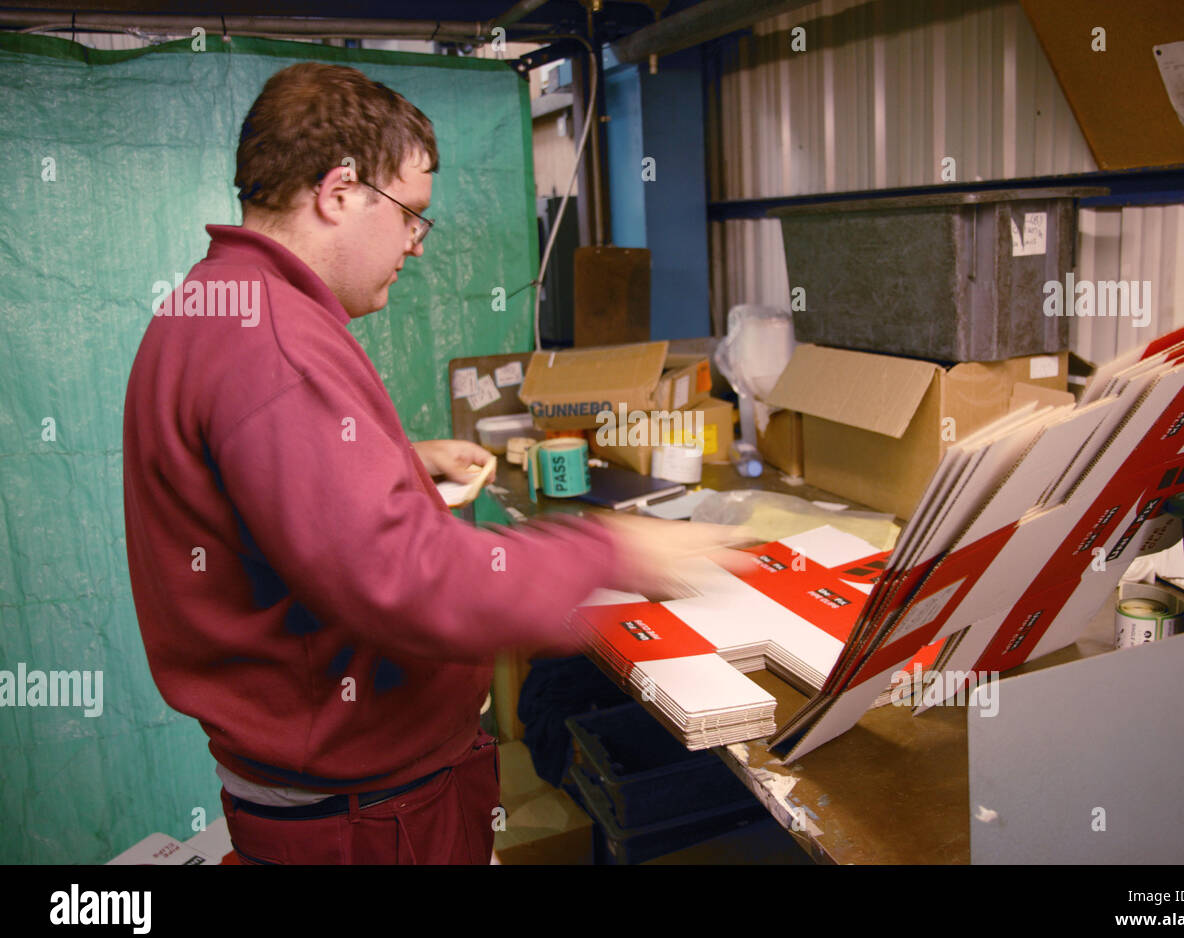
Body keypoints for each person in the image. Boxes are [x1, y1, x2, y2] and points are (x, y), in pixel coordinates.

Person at [122, 61, 738, 865]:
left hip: (327, 794)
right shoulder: (274, 342)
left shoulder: (222, 300)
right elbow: (404, 578)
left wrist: (397, 458)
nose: (416, 243)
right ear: (338, 191)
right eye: (410, 214)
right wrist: (615, 549)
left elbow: (258, 484)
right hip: (369, 818)